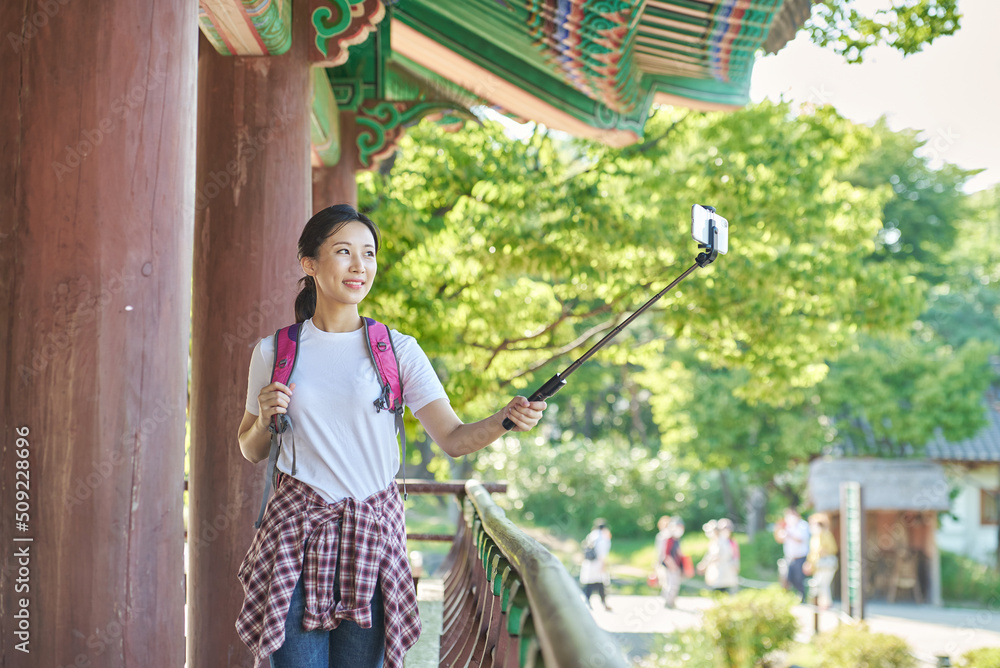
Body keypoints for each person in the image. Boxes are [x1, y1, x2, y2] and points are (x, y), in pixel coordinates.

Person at [234, 205, 548, 668]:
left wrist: (506, 418)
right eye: (344, 252)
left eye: (369, 254)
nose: (359, 266)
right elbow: (250, 448)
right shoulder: (274, 351)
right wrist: (264, 418)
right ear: (310, 263)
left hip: (373, 537)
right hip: (295, 538)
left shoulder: (397, 350)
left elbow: (454, 438)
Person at [774, 507, 810, 602]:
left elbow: (801, 539)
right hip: (789, 558)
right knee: (788, 578)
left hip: (800, 557)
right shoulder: (787, 526)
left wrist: (789, 534)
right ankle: (791, 597)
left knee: (799, 579)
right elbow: (779, 539)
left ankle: (802, 598)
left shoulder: (803, 525)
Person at [805, 513, 838, 610]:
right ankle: (822, 604)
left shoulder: (826, 535)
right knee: (820, 584)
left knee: (822, 584)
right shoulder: (814, 537)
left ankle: (825, 604)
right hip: (818, 565)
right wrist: (809, 563)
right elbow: (812, 553)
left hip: (826, 564)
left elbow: (833, 549)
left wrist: (824, 551)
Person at [698, 518, 739, 594]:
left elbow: (715, 555)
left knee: (721, 592)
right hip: (720, 572)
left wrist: (704, 565)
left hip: (722, 572)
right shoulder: (720, 541)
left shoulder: (723, 541)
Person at [580, 519, 613, 612]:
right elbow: (602, 553)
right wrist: (604, 565)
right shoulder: (602, 537)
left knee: (591, 584)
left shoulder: (591, 535)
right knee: (600, 583)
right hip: (597, 563)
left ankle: (589, 602)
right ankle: (603, 603)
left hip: (588, 563)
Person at [659, 517, 686, 608]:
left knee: (674, 585)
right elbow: (666, 555)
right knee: (670, 585)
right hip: (670, 567)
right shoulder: (669, 539)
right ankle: (668, 602)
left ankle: (671, 602)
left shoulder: (676, 539)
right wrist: (673, 566)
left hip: (676, 566)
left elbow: (679, 554)